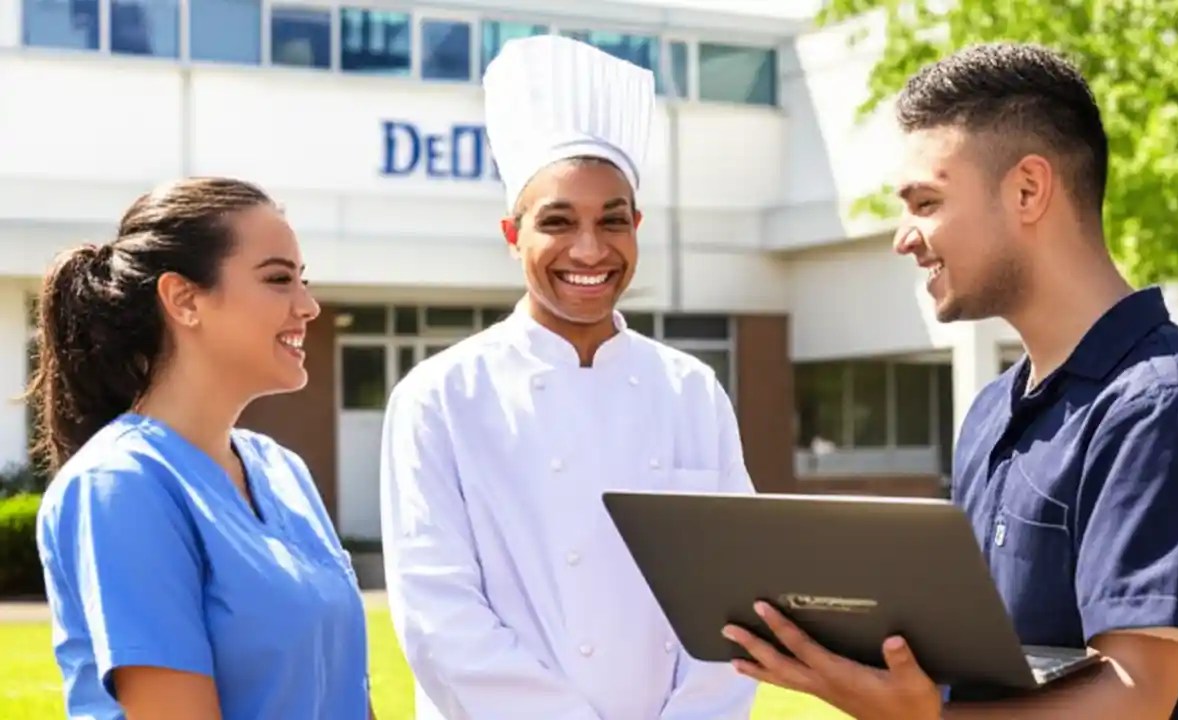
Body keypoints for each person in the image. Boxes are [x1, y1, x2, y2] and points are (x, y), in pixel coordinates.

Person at [723, 42, 1178, 719]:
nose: (904, 237)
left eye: (926, 202)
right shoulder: (992, 410)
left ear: (1026, 190)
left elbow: (1132, 702)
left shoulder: (1170, 410)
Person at [379, 35, 758, 720]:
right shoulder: (440, 398)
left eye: (612, 221)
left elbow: (734, 599)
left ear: (637, 226)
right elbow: (439, 620)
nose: (590, 249)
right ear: (512, 233)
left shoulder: (692, 390)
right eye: (558, 221)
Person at [32, 178, 374, 720]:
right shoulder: (122, 483)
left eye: (302, 280)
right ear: (184, 299)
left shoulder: (284, 471)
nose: (308, 306)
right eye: (279, 279)